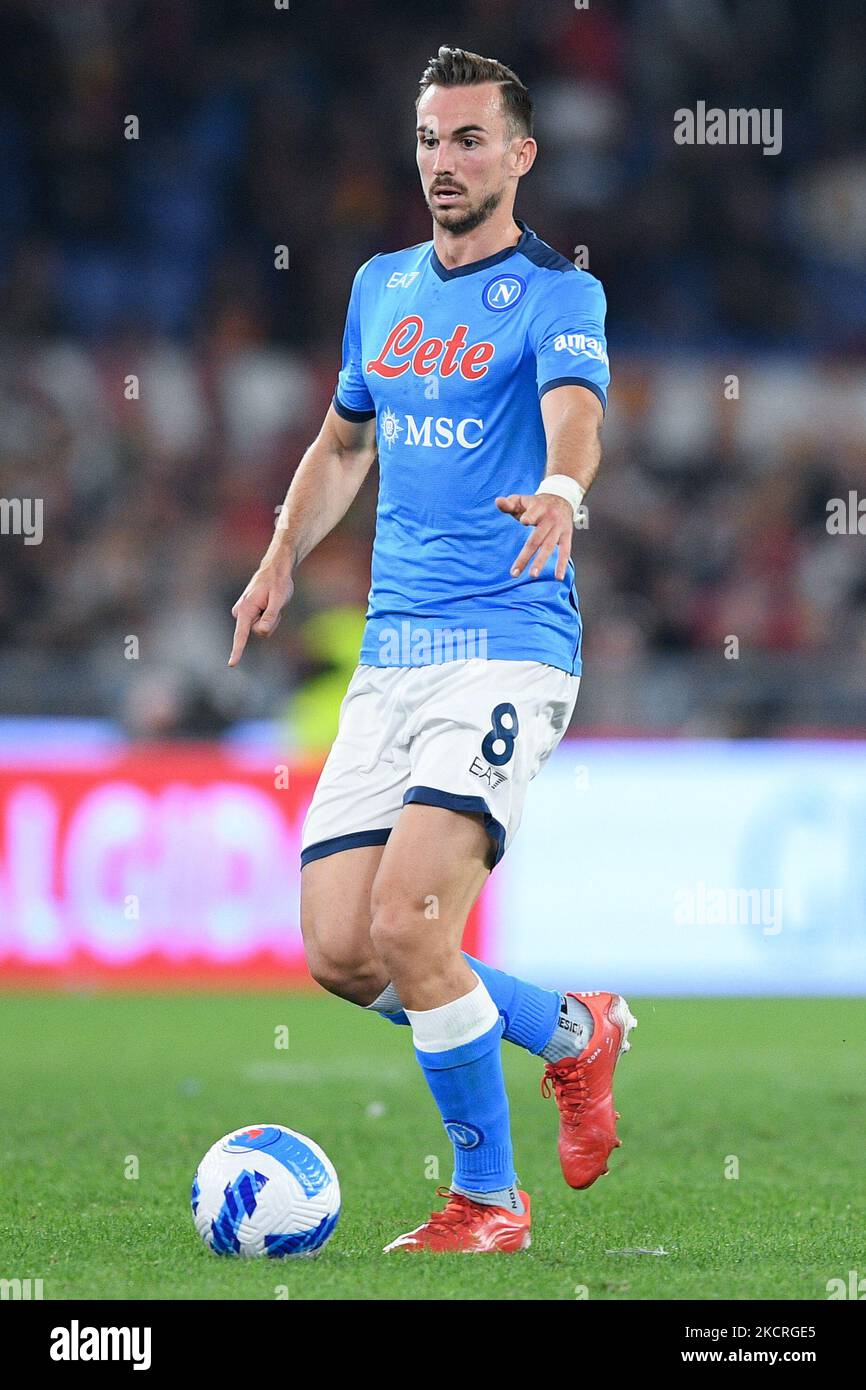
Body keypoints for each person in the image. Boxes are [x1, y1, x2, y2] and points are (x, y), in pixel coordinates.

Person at [228, 45, 636, 1254]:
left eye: (467, 140)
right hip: (393, 657)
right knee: (343, 954)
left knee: (413, 927)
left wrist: (562, 487)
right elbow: (343, 443)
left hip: (507, 642)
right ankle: (572, 1031)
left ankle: (484, 1201)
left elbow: (577, 416)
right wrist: (280, 553)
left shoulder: (562, 294)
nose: (442, 162)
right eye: (427, 140)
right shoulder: (380, 285)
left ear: (519, 154)